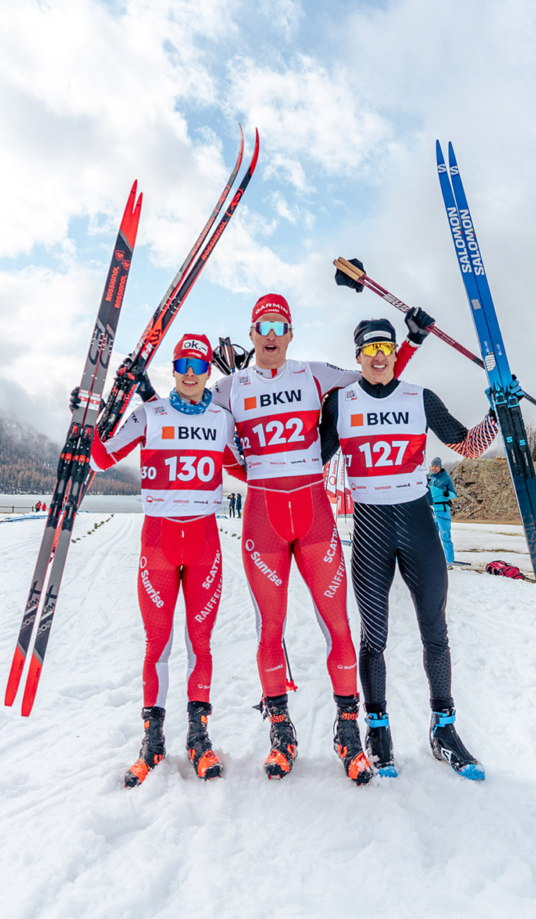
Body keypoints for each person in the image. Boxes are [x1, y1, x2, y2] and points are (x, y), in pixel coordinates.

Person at [210, 293, 423, 784]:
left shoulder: (315, 374)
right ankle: (281, 733)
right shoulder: (228, 387)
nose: (270, 334)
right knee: (269, 629)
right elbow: (184, 412)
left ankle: (348, 733)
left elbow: (377, 378)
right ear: (251, 334)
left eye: (278, 326)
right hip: (263, 519)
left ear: (290, 333)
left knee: (339, 627)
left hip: (314, 518)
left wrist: (409, 342)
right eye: (262, 326)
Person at [319, 317, 499, 781]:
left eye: (386, 347)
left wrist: (497, 413)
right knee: (373, 637)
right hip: (371, 527)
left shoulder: (421, 398)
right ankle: (378, 730)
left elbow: (469, 445)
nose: (378, 355)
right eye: (370, 349)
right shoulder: (340, 402)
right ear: (357, 356)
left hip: (418, 523)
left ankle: (444, 730)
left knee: (435, 631)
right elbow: (308, 460)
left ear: (396, 353)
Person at [88, 334, 242, 788]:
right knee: (157, 645)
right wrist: (89, 416)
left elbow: (247, 466)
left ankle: (199, 737)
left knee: (200, 644)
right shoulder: (150, 414)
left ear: (207, 371)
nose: (191, 374)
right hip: (158, 543)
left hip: (204, 543)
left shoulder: (222, 419)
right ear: (174, 369)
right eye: (183, 365)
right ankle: (152, 742)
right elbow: (102, 458)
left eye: (199, 366)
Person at [428, 458, 457, 564]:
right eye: (432, 466)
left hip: (442, 511)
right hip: (431, 511)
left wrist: (447, 494)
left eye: (436, 466)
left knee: (445, 537)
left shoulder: (446, 478)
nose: (434, 468)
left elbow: (453, 494)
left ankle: (449, 561)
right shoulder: (429, 477)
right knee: (431, 538)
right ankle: (433, 561)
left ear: (440, 467)